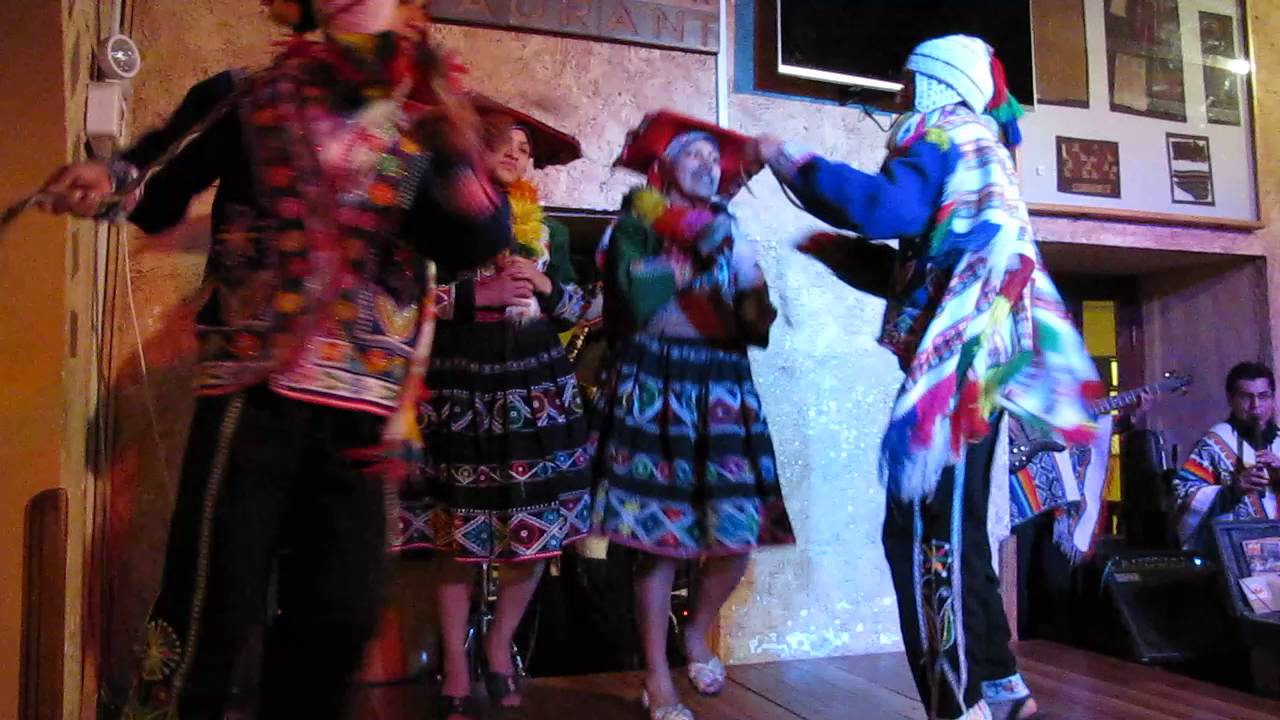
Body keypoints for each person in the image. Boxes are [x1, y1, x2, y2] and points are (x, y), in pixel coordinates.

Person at [37, 1, 511, 717]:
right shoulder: (247, 95)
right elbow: (159, 185)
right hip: (251, 393)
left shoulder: (427, 122)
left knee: (342, 617)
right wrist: (111, 181)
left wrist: (454, 148)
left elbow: (476, 244)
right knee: (208, 607)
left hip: (367, 413)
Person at [756, 35, 1100, 720]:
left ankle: (956, 701)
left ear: (934, 83)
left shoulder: (944, 133)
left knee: (921, 536)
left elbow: (888, 211)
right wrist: (836, 253)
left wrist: (792, 163)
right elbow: (927, 272)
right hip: (985, 354)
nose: (899, 97)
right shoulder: (985, 154)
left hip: (960, 365)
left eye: (907, 83)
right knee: (959, 526)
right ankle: (1000, 685)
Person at [392, 96, 593, 718]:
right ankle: (455, 658)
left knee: (533, 536)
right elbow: (401, 295)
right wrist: (472, 293)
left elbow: (580, 312)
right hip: (461, 392)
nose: (515, 150)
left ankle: (500, 648)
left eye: (526, 146)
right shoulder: (439, 213)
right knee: (458, 536)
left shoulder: (548, 228)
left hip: (538, 394)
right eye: (501, 139)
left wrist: (548, 286)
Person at [593, 111, 794, 720]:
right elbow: (646, 303)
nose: (709, 168)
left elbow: (760, 324)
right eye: (694, 158)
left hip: (724, 392)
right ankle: (657, 677)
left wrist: (738, 290)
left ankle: (695, 631)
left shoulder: (733, 231)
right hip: (657, 387)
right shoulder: (634, 224)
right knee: (662, 544)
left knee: (738, 534)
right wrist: (717, 295)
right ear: (665, 169)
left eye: (716, 161)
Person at [1173, 361, 1280, 550]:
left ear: (1273, 398)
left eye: (1263, 396)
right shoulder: (1214, 443)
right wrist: (1233, 490)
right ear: (1230, 399)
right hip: (1234, 551)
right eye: (1246, 397)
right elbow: (1182, 496)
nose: (1256, 406)